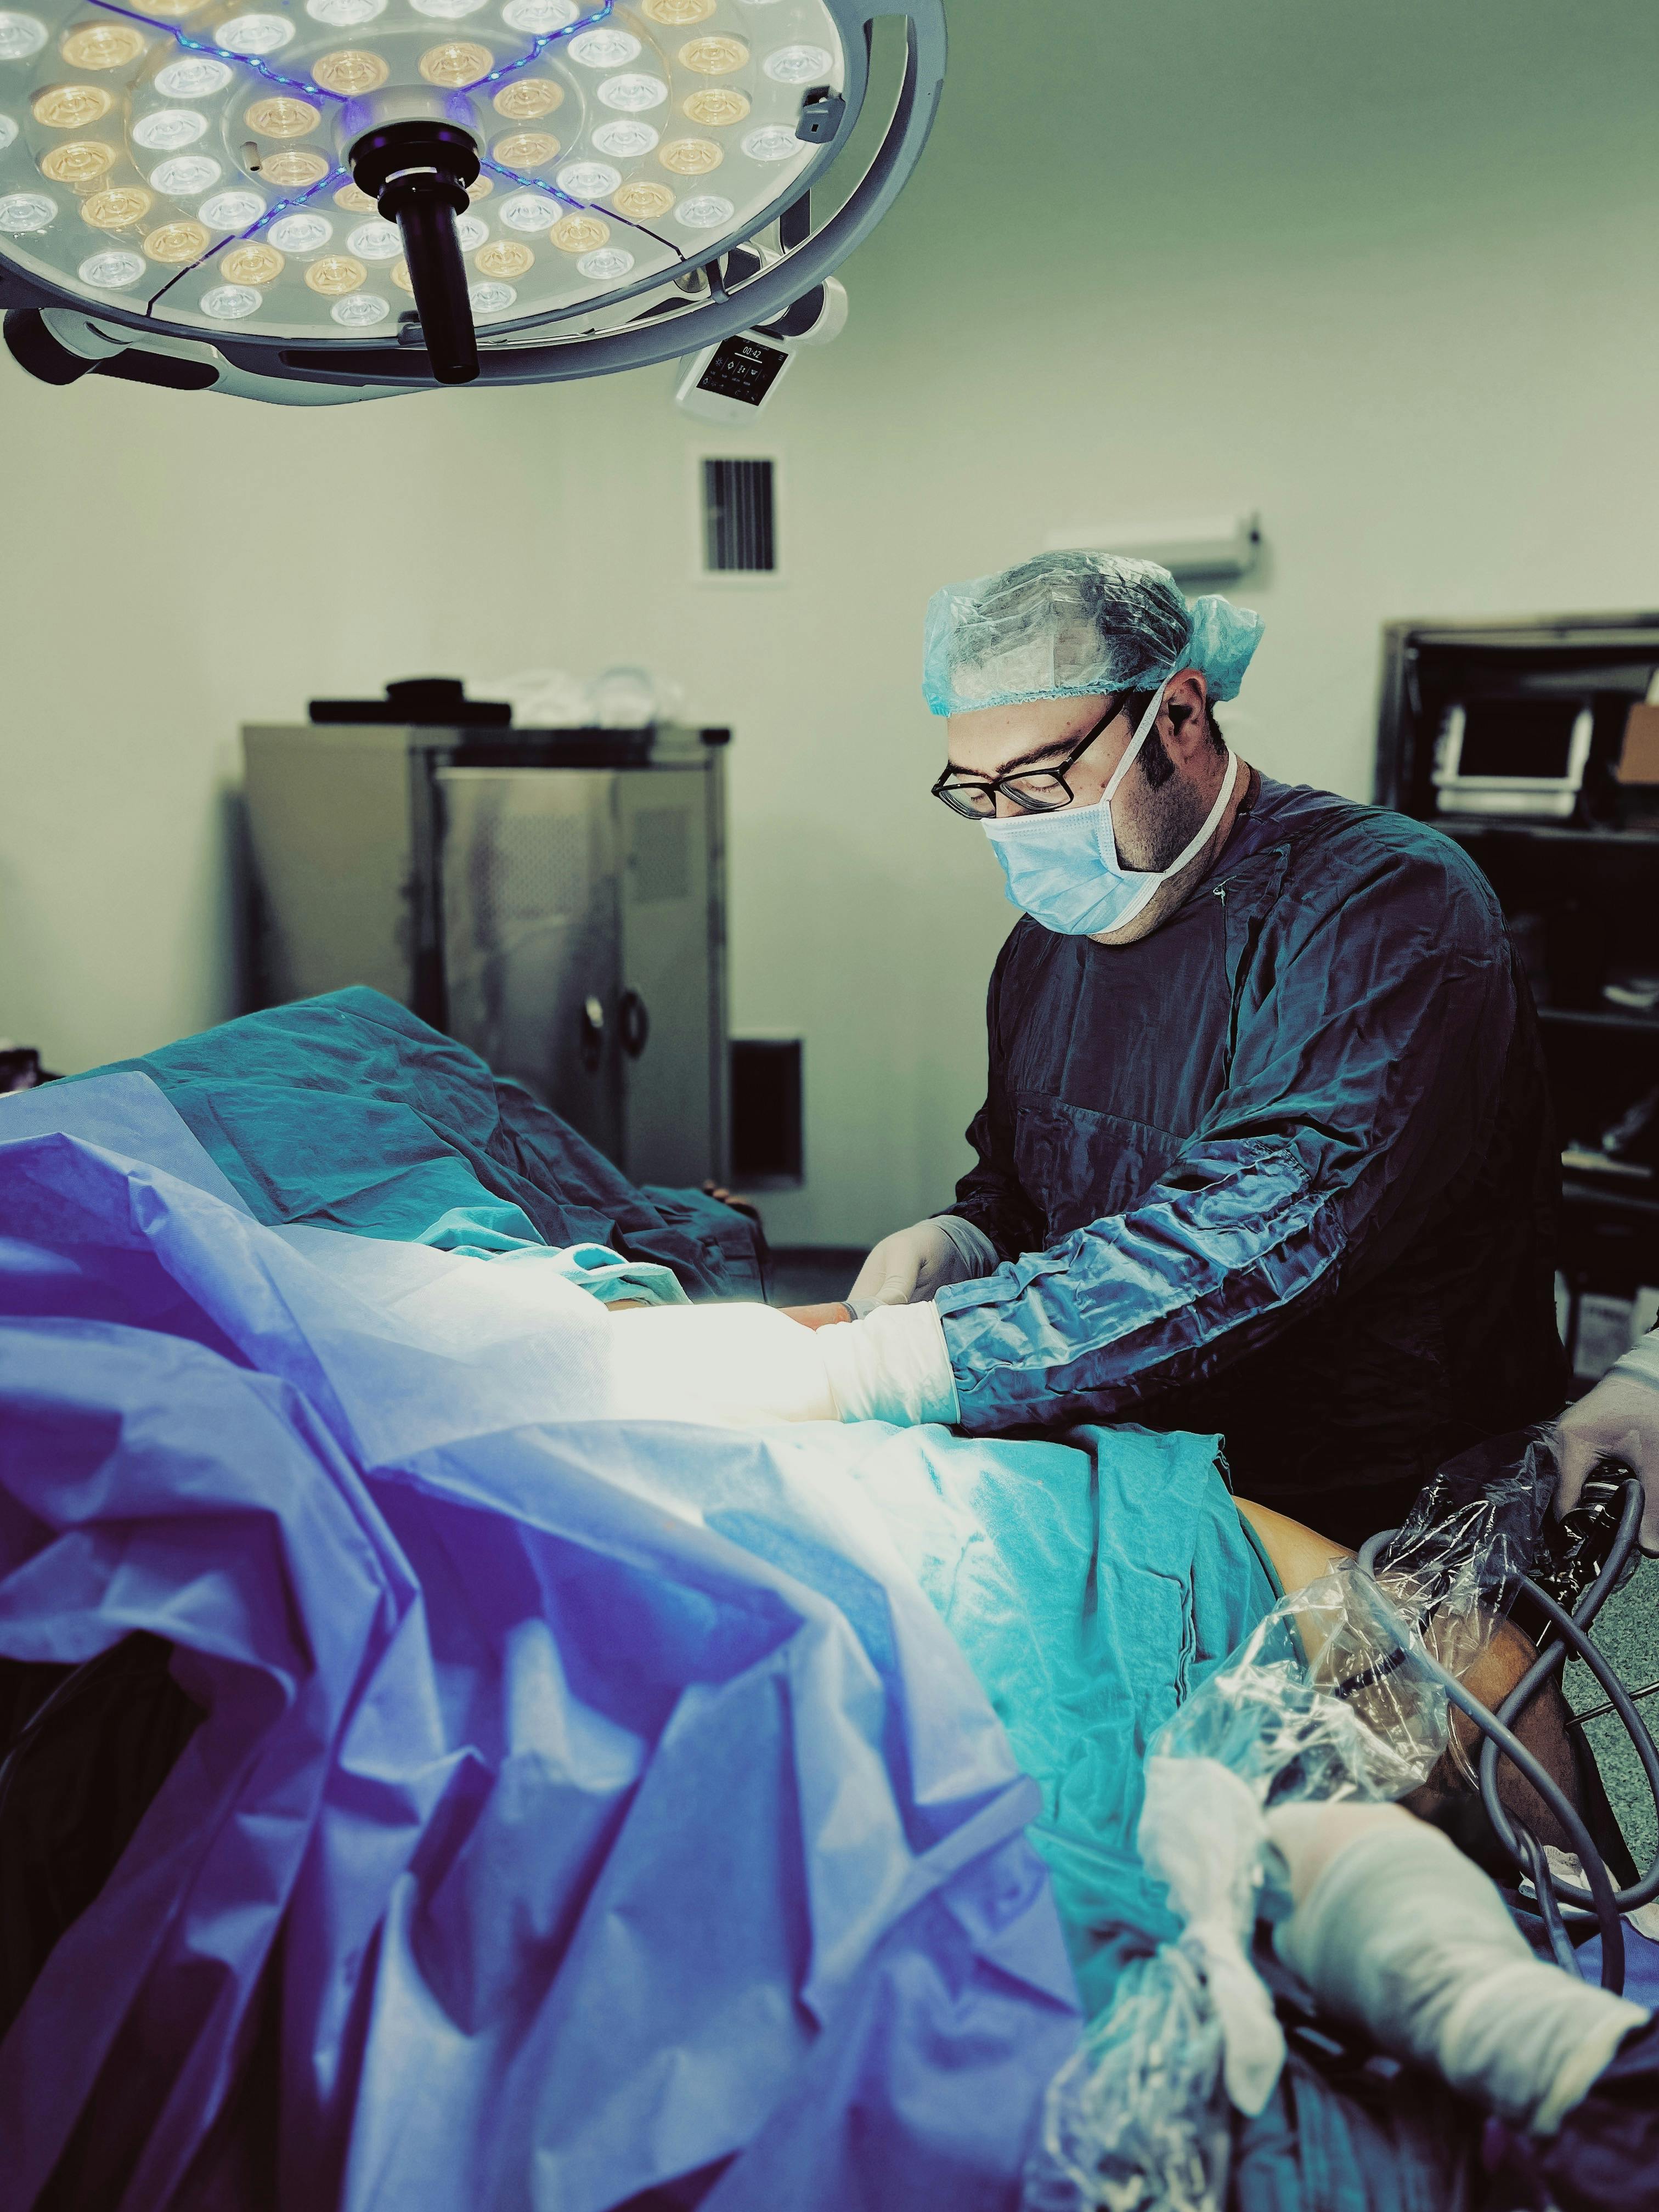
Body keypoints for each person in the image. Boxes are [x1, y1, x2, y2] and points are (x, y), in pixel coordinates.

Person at [820, 549, 1568, 1541]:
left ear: (1178, 714)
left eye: (1040, 783)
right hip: (1140, 1477)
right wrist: (970, 1241)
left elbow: (1260, 1228)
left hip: (1376, 1504)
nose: (1011, 831)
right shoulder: (1047, 948)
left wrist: (909, 1366)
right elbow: (1025, 1183)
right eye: (977, 793)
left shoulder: (1387, 903)